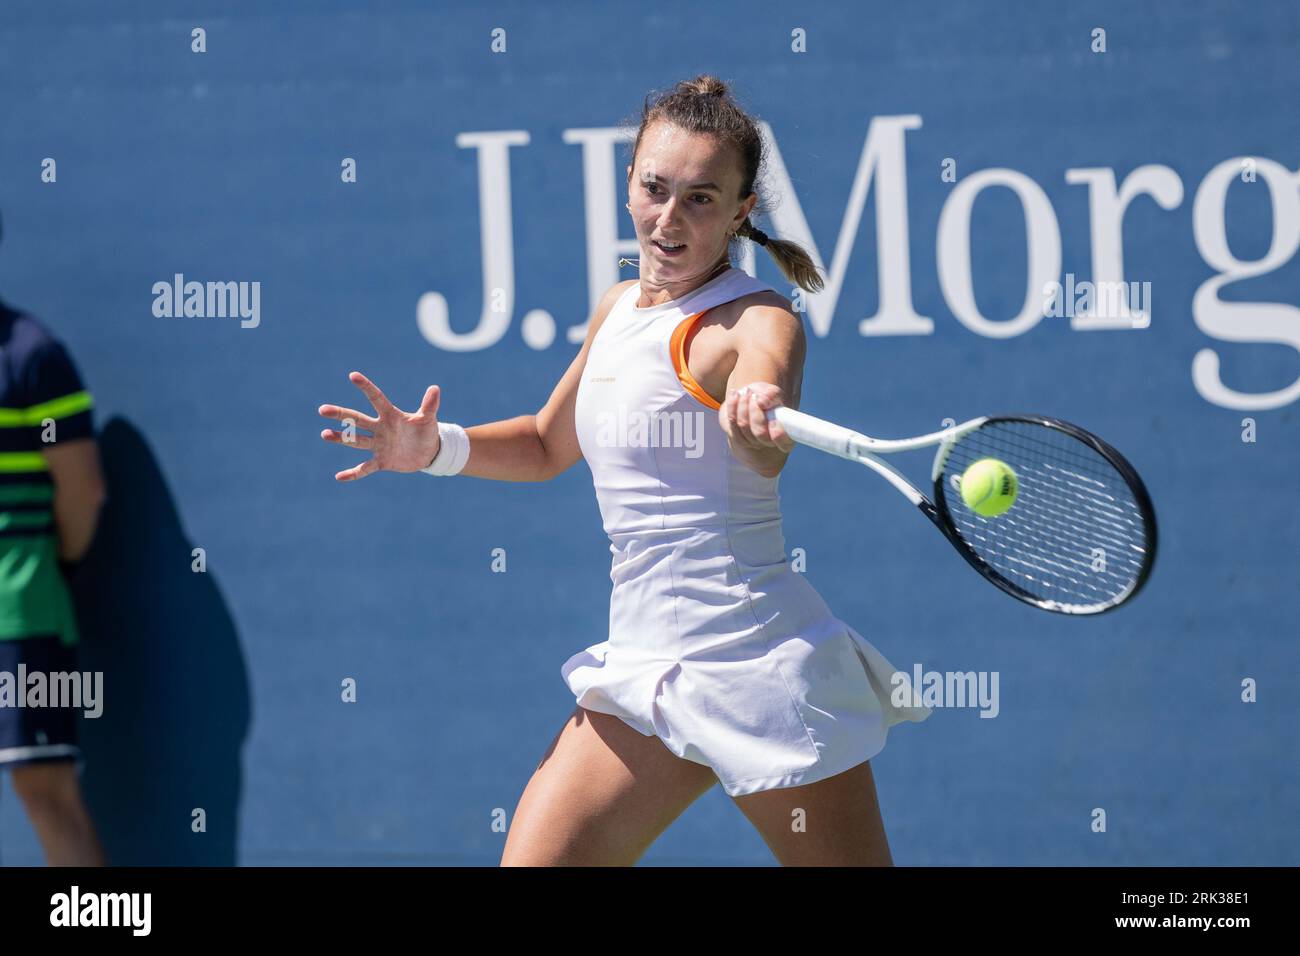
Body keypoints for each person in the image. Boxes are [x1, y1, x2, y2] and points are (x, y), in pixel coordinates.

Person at [317, 75, 930, 866]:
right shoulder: (616, 309)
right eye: (654, 188)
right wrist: (433, 448)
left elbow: (766, 435)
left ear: (743, 210)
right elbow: (545, 444)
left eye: (702, 199)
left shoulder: (757, 319)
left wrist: (755, 419)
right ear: (629, 182)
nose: (669, 219)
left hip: (757, 662)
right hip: (645, 668)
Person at [0, 222, 108, 864]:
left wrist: (55, 564)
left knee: (46, 790)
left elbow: (82, 491)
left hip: (21, 613)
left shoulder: (32, 354)